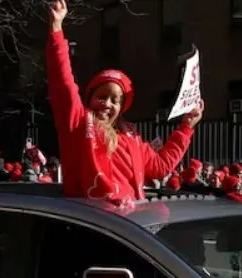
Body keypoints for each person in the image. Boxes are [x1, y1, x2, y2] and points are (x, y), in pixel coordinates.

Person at [46, 0, 201, 204]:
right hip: (93, 223)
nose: (107, 104)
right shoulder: (77, 123)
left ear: (121, 108)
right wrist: (56, 30)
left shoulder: (131, 136)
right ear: (90, 98)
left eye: (115, 100)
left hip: (127, 226)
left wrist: (186, 127)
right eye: (102, 97)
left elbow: (161, 166)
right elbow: (63, 83)